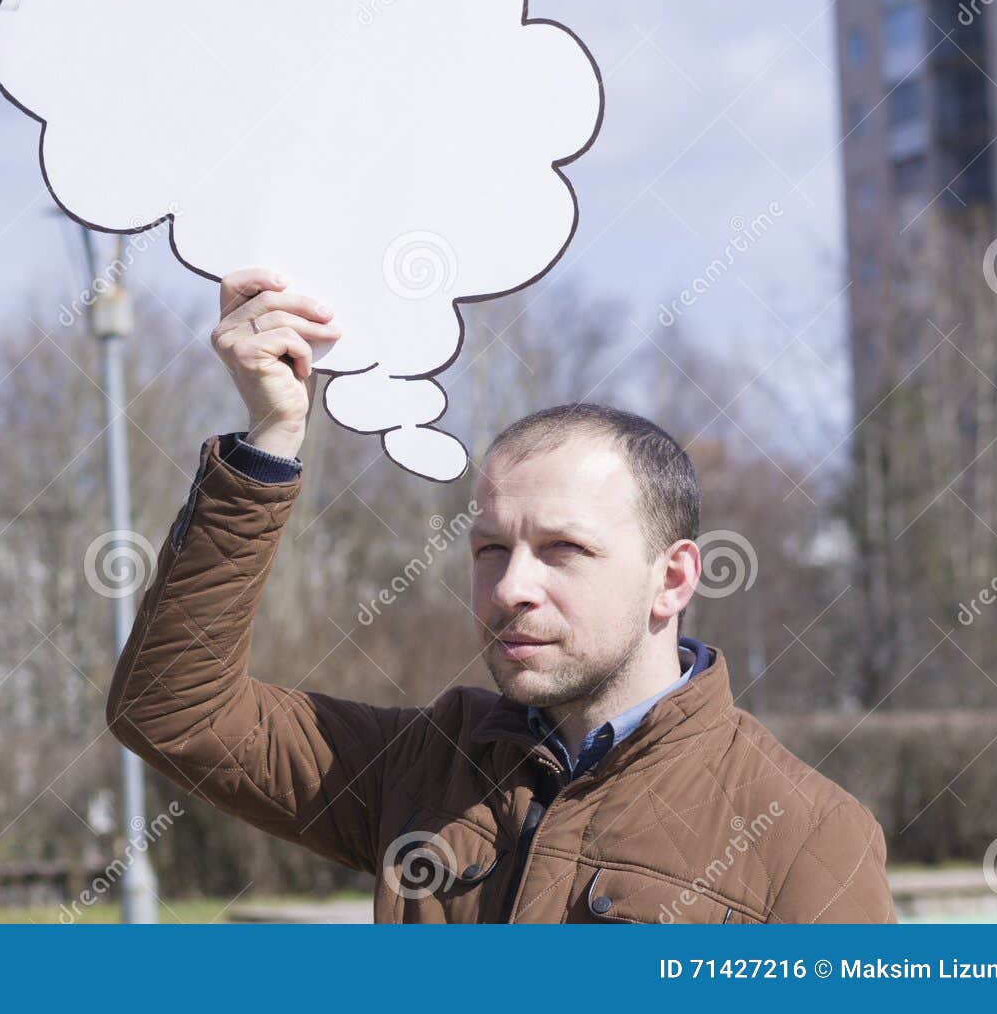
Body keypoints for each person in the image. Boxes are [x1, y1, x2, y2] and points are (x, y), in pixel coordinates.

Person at [106, 268, 895, 923]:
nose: (512, 588)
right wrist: (268, 442)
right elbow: (173, 711)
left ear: (674, 578)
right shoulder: (423, 767)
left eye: (564, 550)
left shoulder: (807, 837)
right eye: (491, 549)